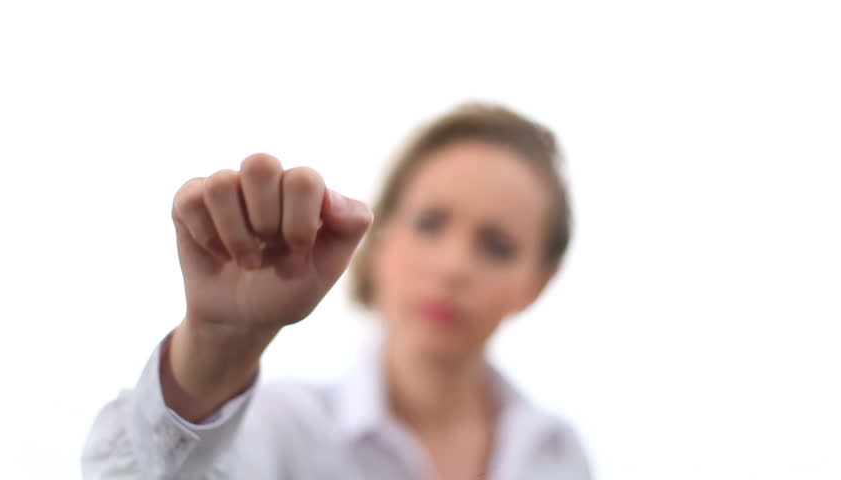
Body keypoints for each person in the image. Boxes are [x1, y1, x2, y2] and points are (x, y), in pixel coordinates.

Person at [82, 102, 593, 479]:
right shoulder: (284, 430)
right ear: (383, 237)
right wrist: (218, 342)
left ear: (538, 284)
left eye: (498, 246)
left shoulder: (557, 455)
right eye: (431, 223)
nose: (454, 266)